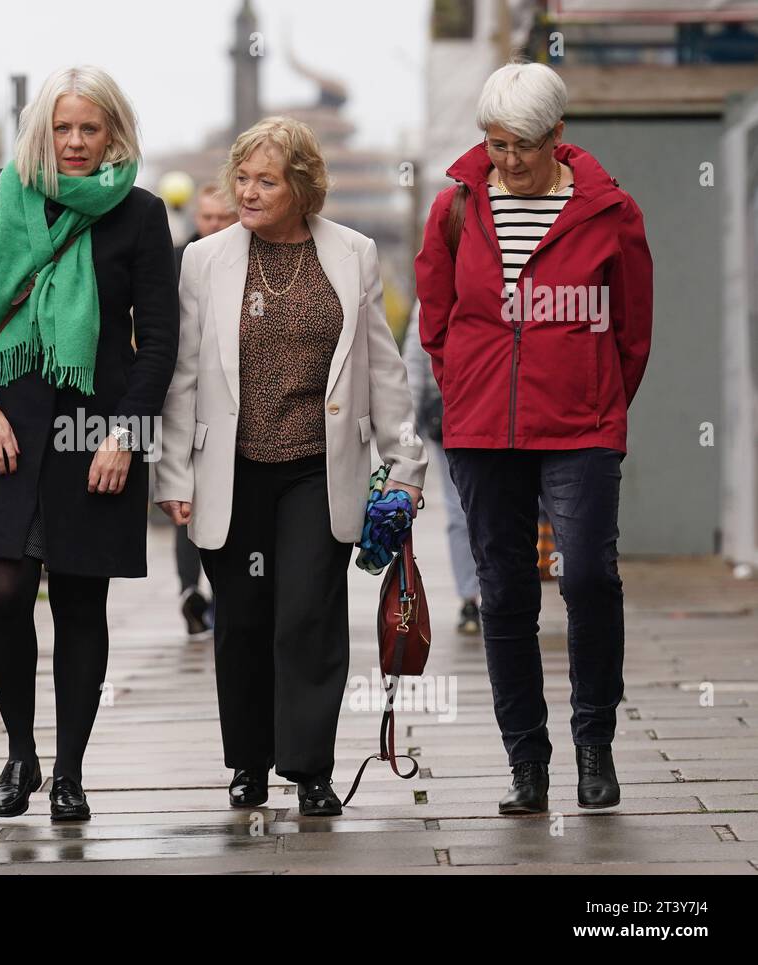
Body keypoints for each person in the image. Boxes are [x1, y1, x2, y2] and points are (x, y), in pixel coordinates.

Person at [155, 116, 426, 817]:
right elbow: (184, 374)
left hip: (316, 466)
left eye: (265, 180)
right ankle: (248, 762)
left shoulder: (353, 254)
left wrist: (405, 464)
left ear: (301, 186)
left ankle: (308, 767)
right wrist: (174, 476)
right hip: (234, 469)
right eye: (240, 177)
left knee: (307, 612)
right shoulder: (204, 260)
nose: (246, 191)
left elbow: (383, 368)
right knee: (242, 618)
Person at [0, 65, 178, 822]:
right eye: (63, 127)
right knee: (4, 592)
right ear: (42, 129)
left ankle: (70, 771)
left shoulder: (138, 214)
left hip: (93, 435)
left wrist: (126, 434)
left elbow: (161, 341)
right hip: (2, 428)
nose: (74, 143)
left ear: (114, 133)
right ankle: (20, 751)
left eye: (90, 129)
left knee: (80, 600)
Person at [415, 61, 653, 815]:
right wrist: (465, 389)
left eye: (523, 144)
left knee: (586, 574)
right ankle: (527, 762)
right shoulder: (455, 209)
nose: (508, 160)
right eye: (495, 144)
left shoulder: (611, 213)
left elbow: (633, 329)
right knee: (505, 590)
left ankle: (594, 743)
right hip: (484, 429)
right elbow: (436, 317)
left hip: (580, 424)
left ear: (558, 135)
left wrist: (599, 399)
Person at [170, 183, 237, 638]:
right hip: (186, 398)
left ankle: (220, 592)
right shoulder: (178, 259)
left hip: (231, 403)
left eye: (221, 218)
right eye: (206, 217)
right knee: (185, 498)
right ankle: (189, 590)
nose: (212, 225)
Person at [400, 300, 481, 634]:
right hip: (446, 420)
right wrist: (407, 429)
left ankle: (486, 593)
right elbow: (415, 365)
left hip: (489, 414)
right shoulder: (427, 303)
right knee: (459, 513)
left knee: (480, 513)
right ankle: (469, 597)